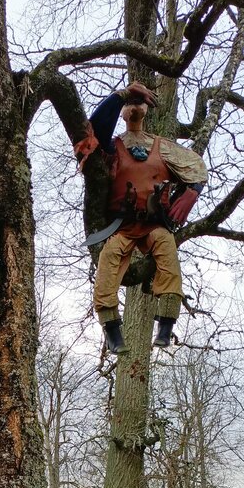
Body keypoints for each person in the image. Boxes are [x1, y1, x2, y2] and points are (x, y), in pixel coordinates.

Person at [79, 82, 208, 354]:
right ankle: (112, 330)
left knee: (168, 254)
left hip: (153, 224)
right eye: (129, 104)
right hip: (122, 226)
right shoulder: (112, 148)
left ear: (148, 111)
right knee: (108, 262)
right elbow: (94, 129)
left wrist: (192, 192)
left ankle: (165, 327)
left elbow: (196, 166)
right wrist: (120, 95)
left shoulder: (163, 148)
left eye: (140, 103)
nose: (135, 107)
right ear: (123, 113)